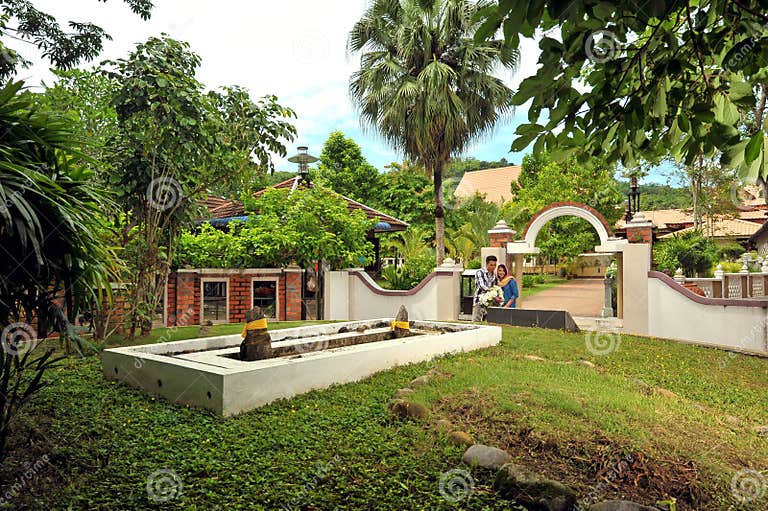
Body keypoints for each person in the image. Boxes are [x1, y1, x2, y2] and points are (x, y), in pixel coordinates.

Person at [472, 255, 497, 322]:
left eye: (495, 265)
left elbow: (494, 286)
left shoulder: (494, 275)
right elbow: (481, 286)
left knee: (486, 321)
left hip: (489, 302)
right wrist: (492, 291)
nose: (493, 267)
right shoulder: (480, 272)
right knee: (476, 321)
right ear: (487, 264)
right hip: (479, 300)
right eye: (491, 265)